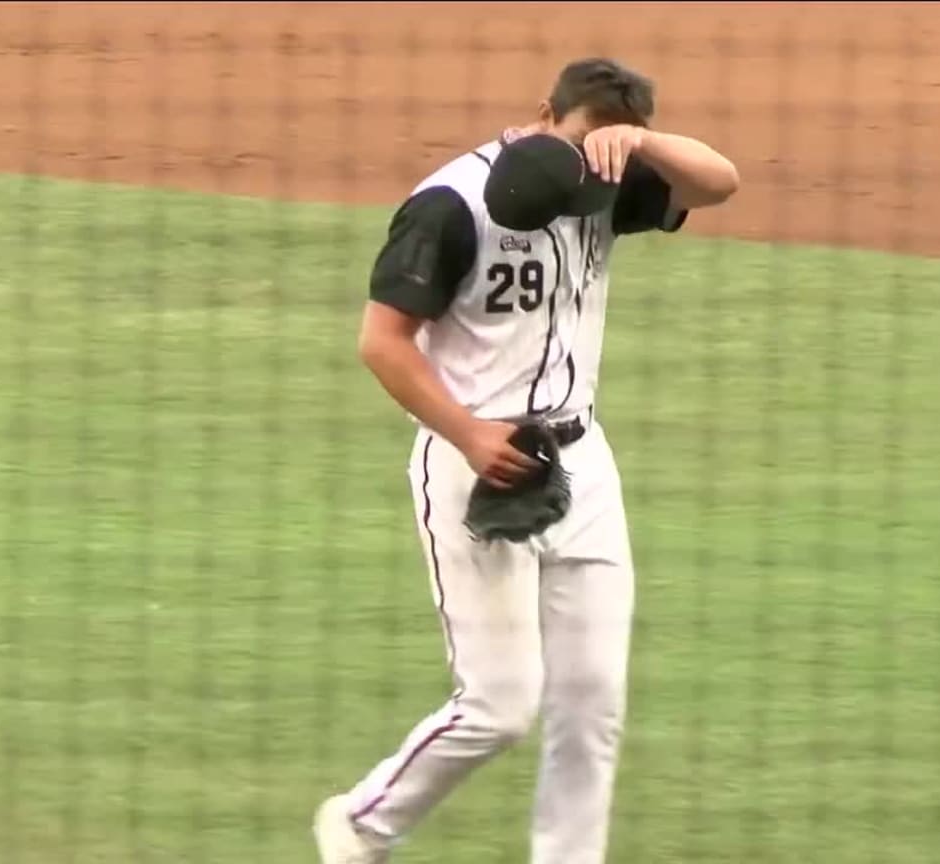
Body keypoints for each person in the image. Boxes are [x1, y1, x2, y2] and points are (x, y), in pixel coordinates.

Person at [312, 57, 740, 864]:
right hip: (474, 462)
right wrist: (470, 434)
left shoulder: (607, 184)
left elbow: (719, 182)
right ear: (542, 112)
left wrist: (632, 144)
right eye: (580, 140)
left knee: (592, 704)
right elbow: (383, 343)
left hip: (584, 467)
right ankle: (363, 823)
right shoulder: (451, 204)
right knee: (501, 706)